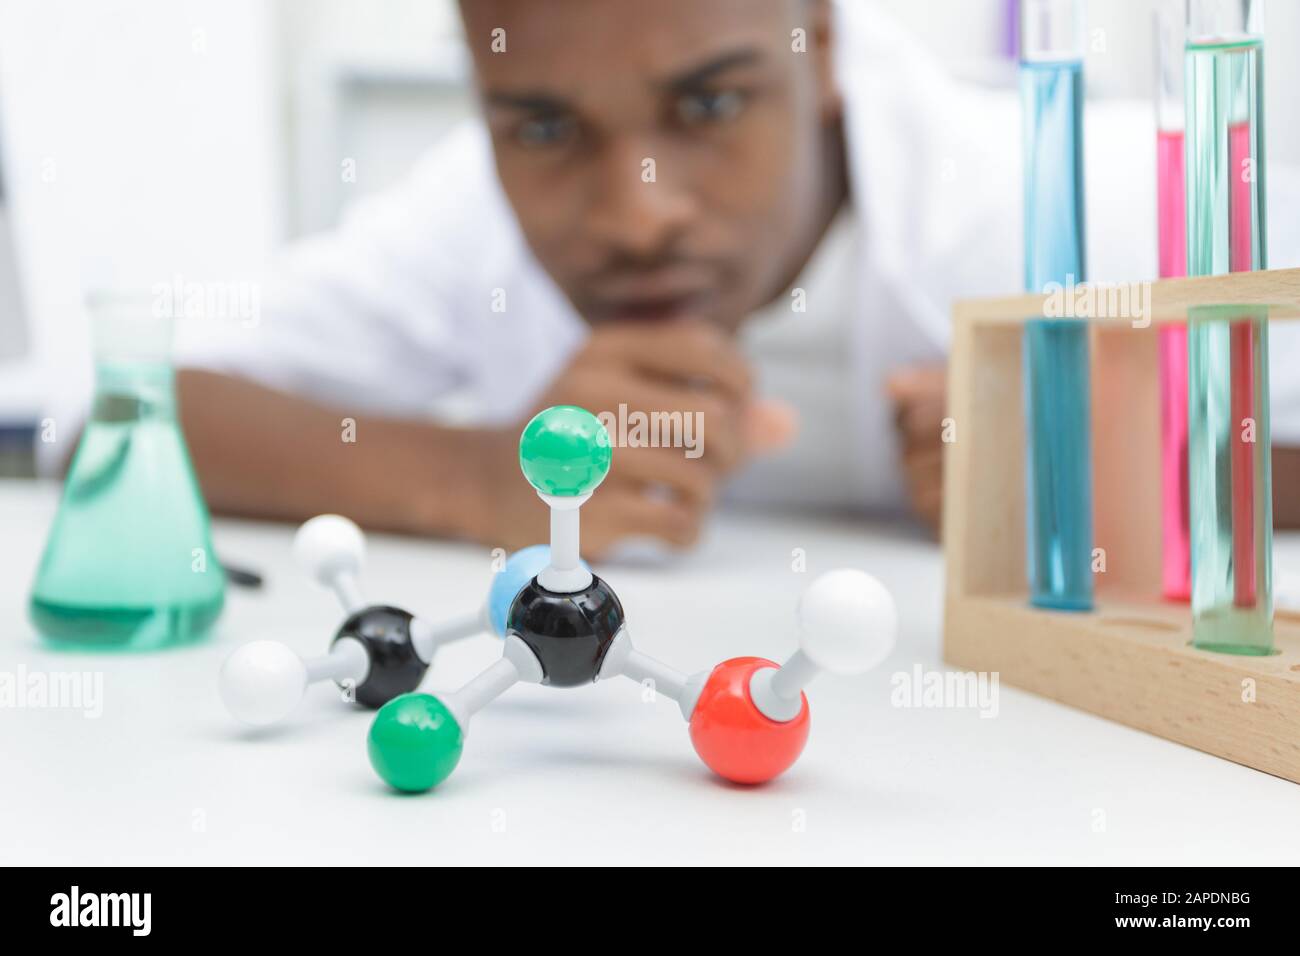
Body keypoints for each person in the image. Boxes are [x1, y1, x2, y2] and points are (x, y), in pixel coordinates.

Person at [176, 0, 1300, 556]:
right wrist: (476, 478)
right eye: (543, 127)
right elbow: (125, 402)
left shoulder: (1090, 192)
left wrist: (1143, 467)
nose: (638, 213)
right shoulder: (463, 216)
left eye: (709, 107)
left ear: (821, 45)